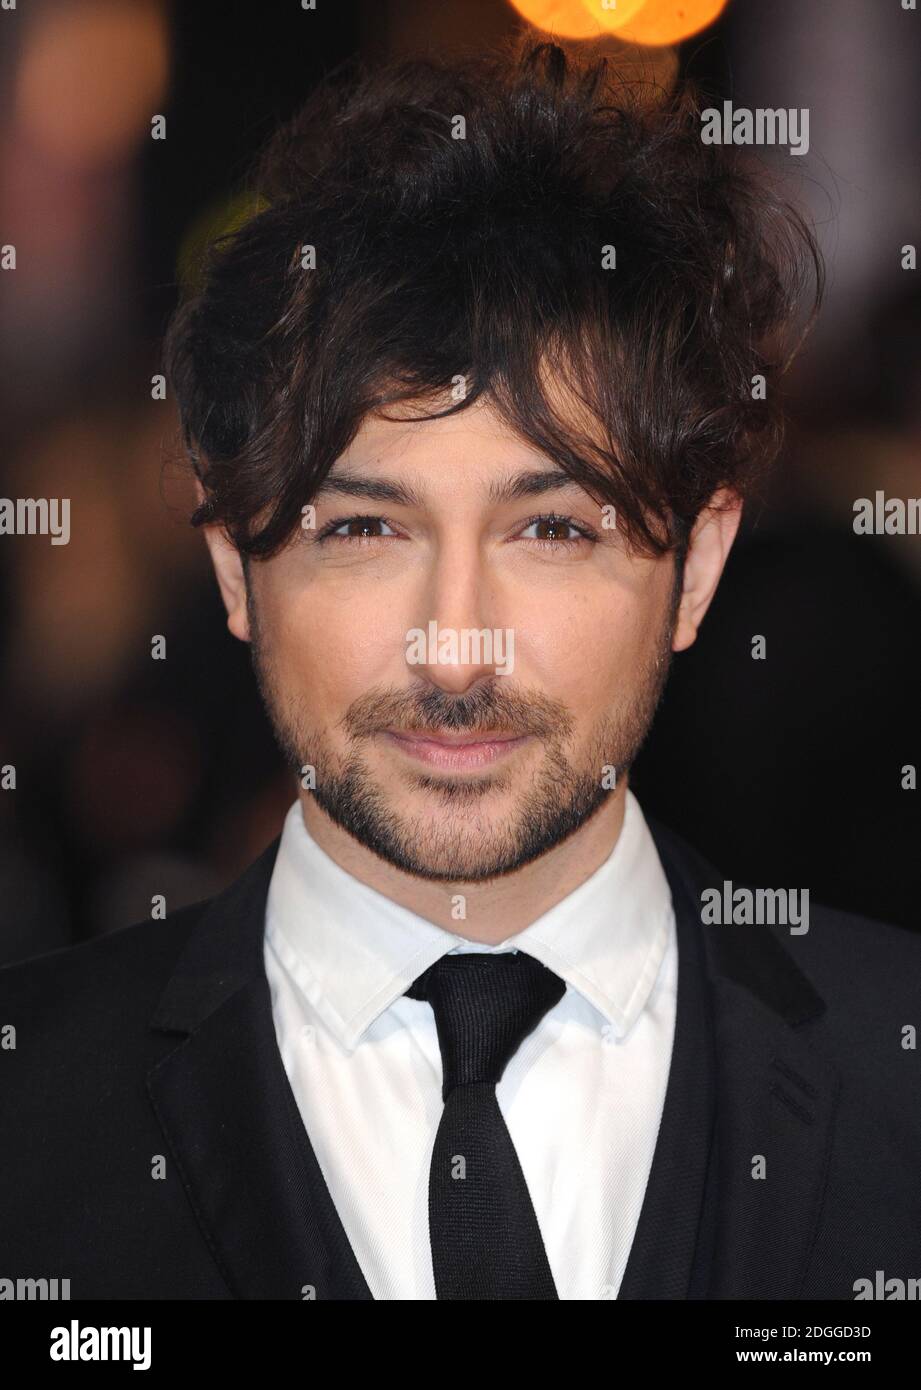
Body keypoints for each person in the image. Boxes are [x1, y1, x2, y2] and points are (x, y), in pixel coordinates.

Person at [1, 37, 919, 1302]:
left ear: (698, 567)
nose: (455, 647)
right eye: (365, 530)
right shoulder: (30, 1118)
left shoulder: (900, 1072)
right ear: (232, 569)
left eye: (551, 530)